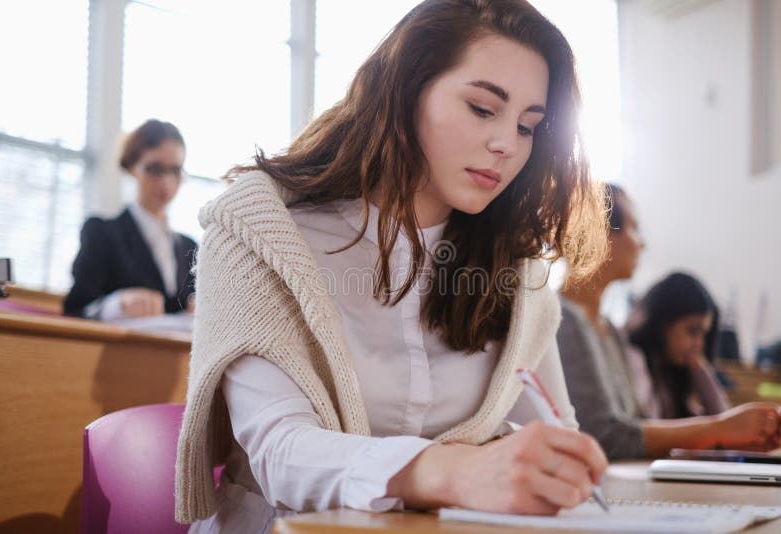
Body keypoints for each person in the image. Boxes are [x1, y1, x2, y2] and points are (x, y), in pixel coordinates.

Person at [175, 1, 612, 531]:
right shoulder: (259, 229)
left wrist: (551, 467)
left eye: (527, 126)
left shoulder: (512, 264)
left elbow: (547, 431)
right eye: (481, 108)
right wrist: (454, 472)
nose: (505, 145)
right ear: (405, 90)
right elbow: (281, 454)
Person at [558, 184, 781, 460]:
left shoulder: (609, 330)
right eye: (633, 227)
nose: (642, 242)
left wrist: (723, 436)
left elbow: (636, 423)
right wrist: (719, 430)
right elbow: (603, 436)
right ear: (595, 234)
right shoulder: (562, 319)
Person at [63, 119, 197, 320]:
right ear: (132, 167)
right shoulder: (102, 233)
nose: (166, 182)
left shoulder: (190, 248)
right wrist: (115, 305)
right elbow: (75, 309)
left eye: (175, 171)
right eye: (155, 169)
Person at [626, 272, 730, 419]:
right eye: (692, 331)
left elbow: (722, 419)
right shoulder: (634, 359)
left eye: (704, 335)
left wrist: (700, 369)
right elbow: (645, 428)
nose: (700, 344)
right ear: (663, 324)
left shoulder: (671, 374)